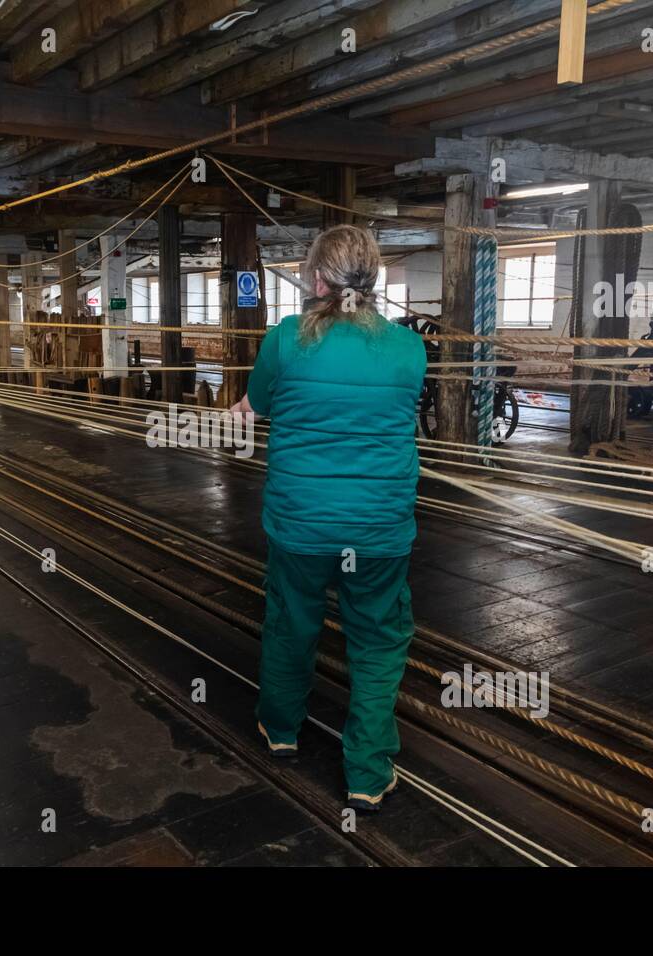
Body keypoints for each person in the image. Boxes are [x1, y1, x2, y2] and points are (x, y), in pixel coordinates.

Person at [231, 224, 427, 812]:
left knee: (292, 623)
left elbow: (253, 407)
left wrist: (232, 413)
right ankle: (367, 773)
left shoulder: (284, 342)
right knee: (378, 641)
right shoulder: (408, 348)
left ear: (317, 280)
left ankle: (281, 728)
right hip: (379, 529)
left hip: (301, 526)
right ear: (373, 281)